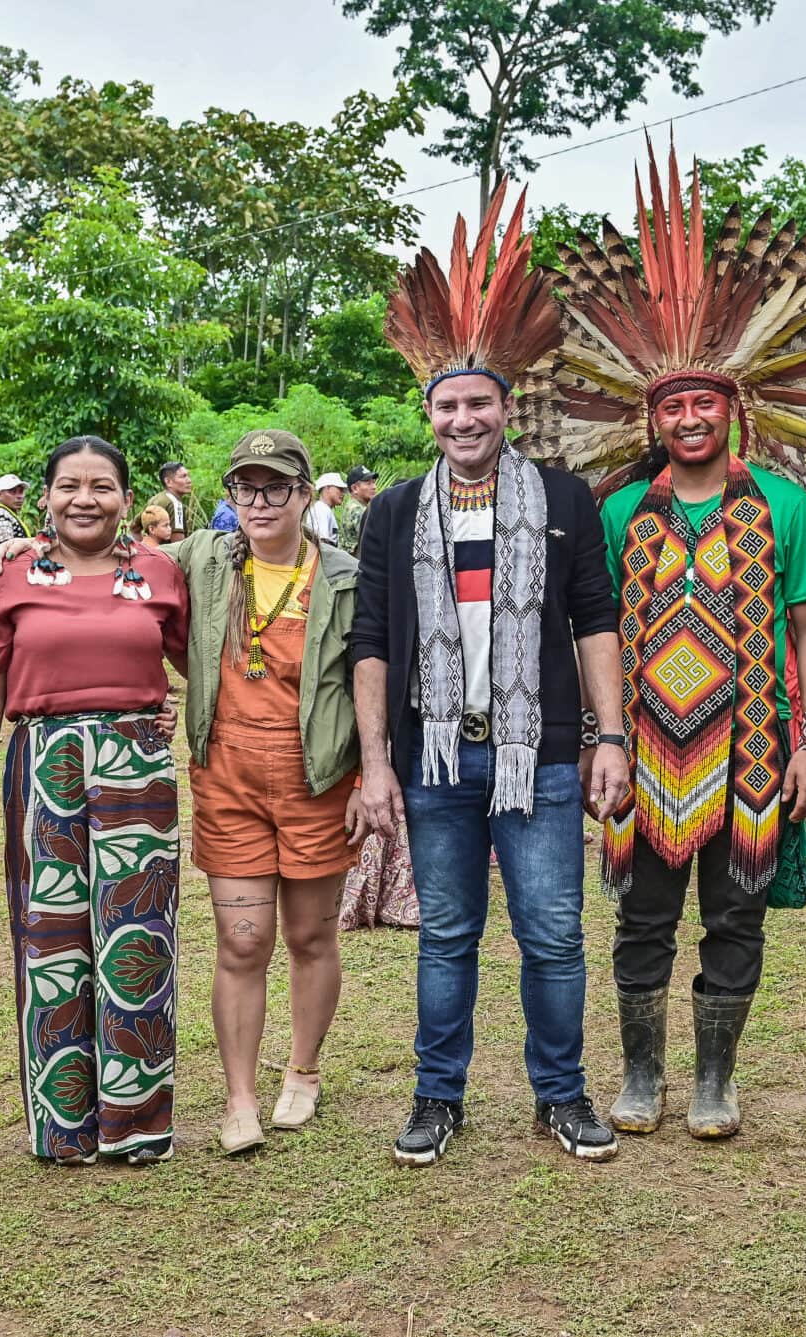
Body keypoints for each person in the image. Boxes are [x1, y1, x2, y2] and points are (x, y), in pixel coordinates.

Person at [523, 146, 806, 1141]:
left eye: (702, 402)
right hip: (638, 744)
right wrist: (601, 738)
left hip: (755, 748)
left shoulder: (781, 505)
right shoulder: (620, 509)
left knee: (735, 918)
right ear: (652, 416)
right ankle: (639, 1075)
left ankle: (714, 1079)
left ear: (735, 411)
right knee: (639, 920)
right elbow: (590, 628)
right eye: (671, 405)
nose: (687, 416)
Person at [356, 183, 629, 1166]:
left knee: (553, 934)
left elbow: (595, 621)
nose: (464, 417)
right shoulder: (392, 511)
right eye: (447, 405)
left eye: (479, 402)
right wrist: (376, 762)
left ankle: (560, 1092)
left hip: (543, 755)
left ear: (505, 409)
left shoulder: (561, 498)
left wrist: (609, 736)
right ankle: (438, 1096)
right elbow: (371, 642)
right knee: (447, 939)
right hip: (433, 762)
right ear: (428, 415)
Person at [0, 436, 189, 1164]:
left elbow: (191, 659)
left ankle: (137, 1123)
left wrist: (167, 709)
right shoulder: (12, 571)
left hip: (136, 764)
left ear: (127, 497)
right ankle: (63, 1127)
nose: (83, 499)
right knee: (51, 942)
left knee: (136, 938)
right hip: (44, 762)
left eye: (101, 486)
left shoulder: (160, 571)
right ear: (46, 495)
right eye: (67, 486)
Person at [169, 430, 363, 1155]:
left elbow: (374, 678)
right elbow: (120, 570)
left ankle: (304, 1071)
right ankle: (240, 1095)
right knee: (241, 940)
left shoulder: (344, 576)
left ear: (304, 496)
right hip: (229, 777)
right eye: (244, 489)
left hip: (317, 778)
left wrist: (369, 778)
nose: (258, 502)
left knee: (310, 934)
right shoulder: (205, 561)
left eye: (275, 487)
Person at [147, 461, 198, 542]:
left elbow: (134, 528)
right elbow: (178, 544)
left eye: (188, 476)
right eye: (183, 477)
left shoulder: (155, 499)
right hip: (165, 553)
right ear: (168, 481)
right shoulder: (175, 503)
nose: (189, 480)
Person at [337, 465, 377, 554]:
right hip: (355, 564)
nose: (374, 487)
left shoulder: (352, 505)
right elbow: (374, 539)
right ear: (355, 488)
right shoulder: (357, 510)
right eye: (368, 483)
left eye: (374, 482)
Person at [0, 473, 30, 545]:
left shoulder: (7, 513)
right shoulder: (1, 516)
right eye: (12, 492)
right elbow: (7, 548)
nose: (19, 496)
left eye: (21, 491)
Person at [306, 472, 344, 549]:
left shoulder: (324, 509)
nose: (343, 493)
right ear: (328, 488)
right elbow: (322, 543)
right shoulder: (321, 509)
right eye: (339, 489)